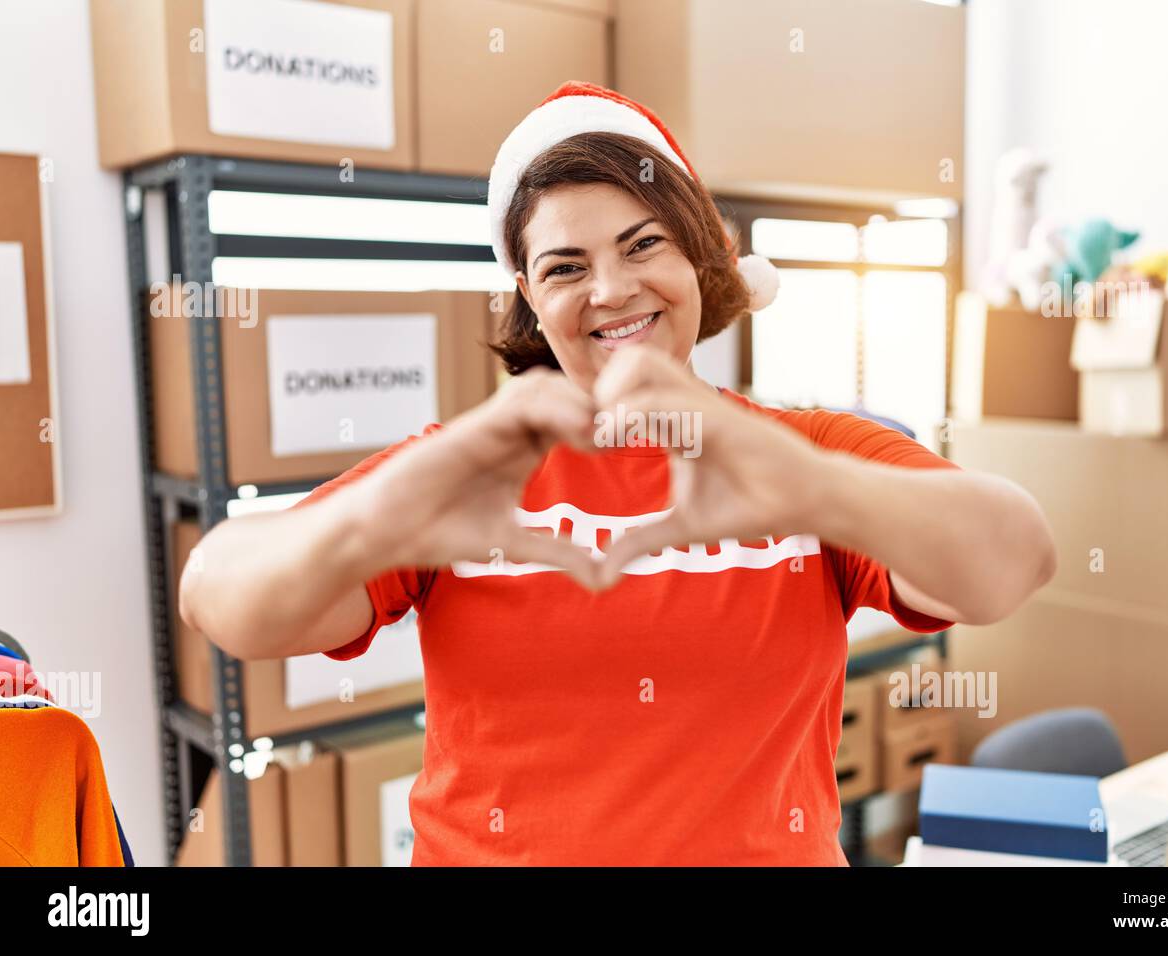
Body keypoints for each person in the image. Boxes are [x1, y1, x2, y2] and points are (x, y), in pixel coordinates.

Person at [178, 81, 1056, 866]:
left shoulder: (805, 451)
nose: (611, 289)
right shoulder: (468, 473)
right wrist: (384, 513)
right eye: (566, 267)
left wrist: (812, 487)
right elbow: (220, 600)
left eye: (644, 245)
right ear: (528, 293)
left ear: (701, 257)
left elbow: (1013, 559)